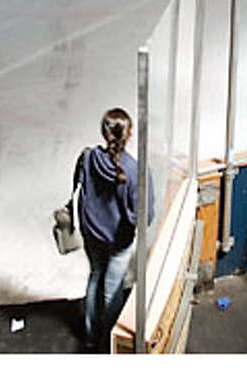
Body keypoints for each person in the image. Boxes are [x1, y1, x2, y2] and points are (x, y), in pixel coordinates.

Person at [76, 108, 151, 352]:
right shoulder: (133, 171)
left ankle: (89, 336)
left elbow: (81, 191)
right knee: (111, 290)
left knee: (95, 278)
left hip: (92, 233)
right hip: (118, 240)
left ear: (104, 132)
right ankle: (106, 345)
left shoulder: (89, 157)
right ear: (129, 134)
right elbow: (144, 216)